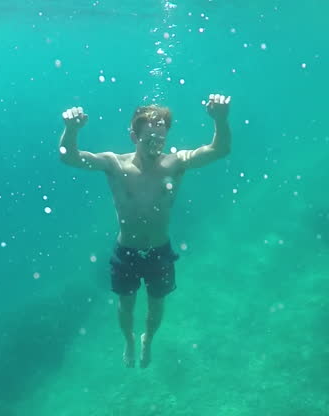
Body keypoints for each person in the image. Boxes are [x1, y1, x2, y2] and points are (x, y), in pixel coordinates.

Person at [58, 94, 231, 368]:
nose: (155, 144)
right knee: (126, 305)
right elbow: (70, 158)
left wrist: (220, 119)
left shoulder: (176, 163)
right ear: (133, 136)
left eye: (160, 138)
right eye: (148, 138)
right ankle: (128, 339)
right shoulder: (115, 164)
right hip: (126, 251)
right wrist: (71, 130)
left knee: (156, 305)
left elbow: (219, 150)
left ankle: (147, 339)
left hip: (159, 251)